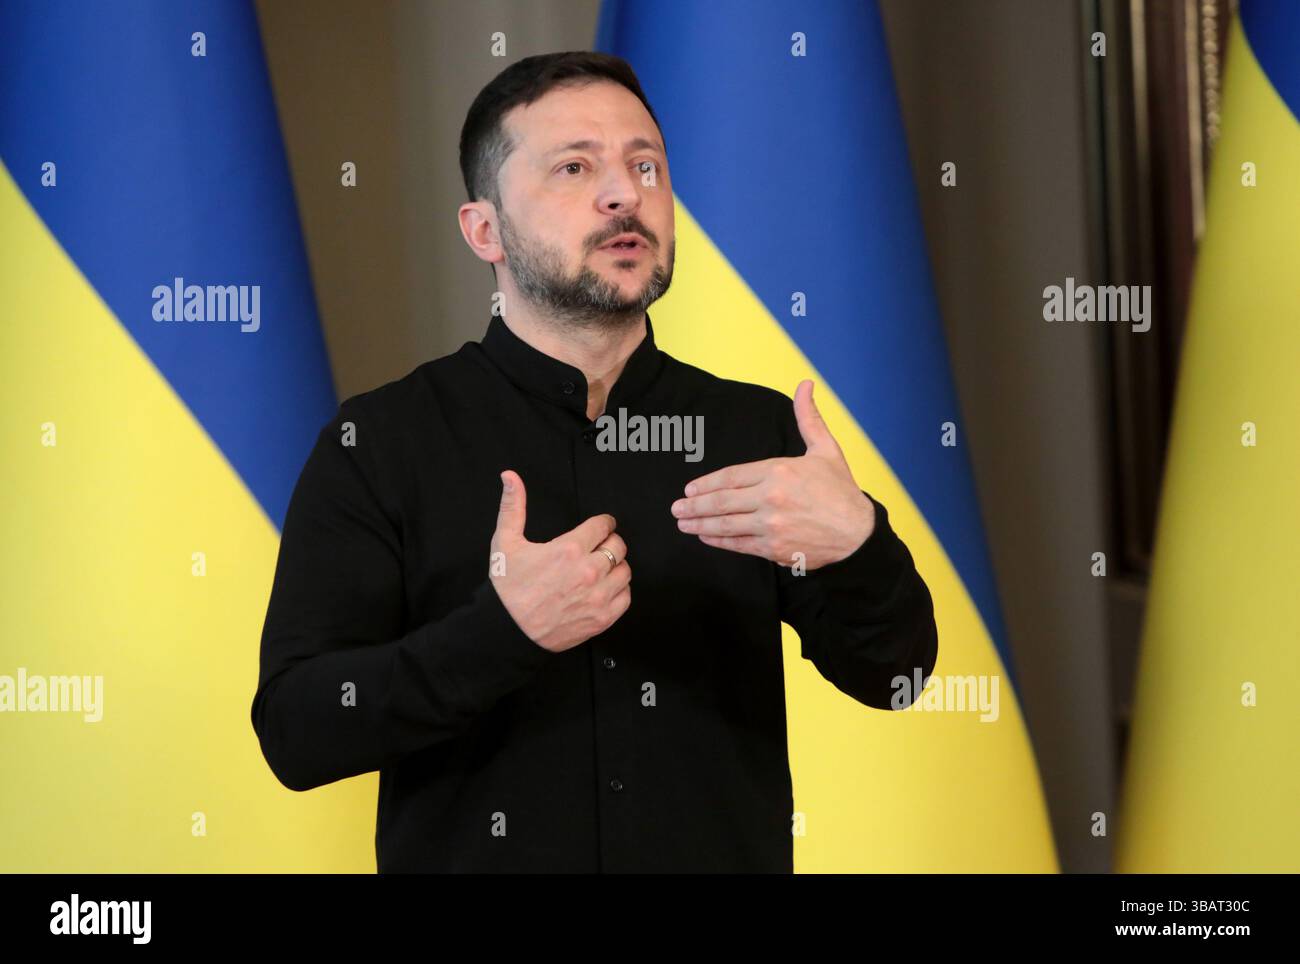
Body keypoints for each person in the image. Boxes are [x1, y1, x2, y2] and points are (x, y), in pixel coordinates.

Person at [251, 50, 938, 873]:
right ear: (484, 230)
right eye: (574, 167)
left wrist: (859, 545)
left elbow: (896, 679)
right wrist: (501, 635)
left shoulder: (756, 430)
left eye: (645, 165)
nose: (625, 194)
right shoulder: (382, 442)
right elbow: (296, 732)